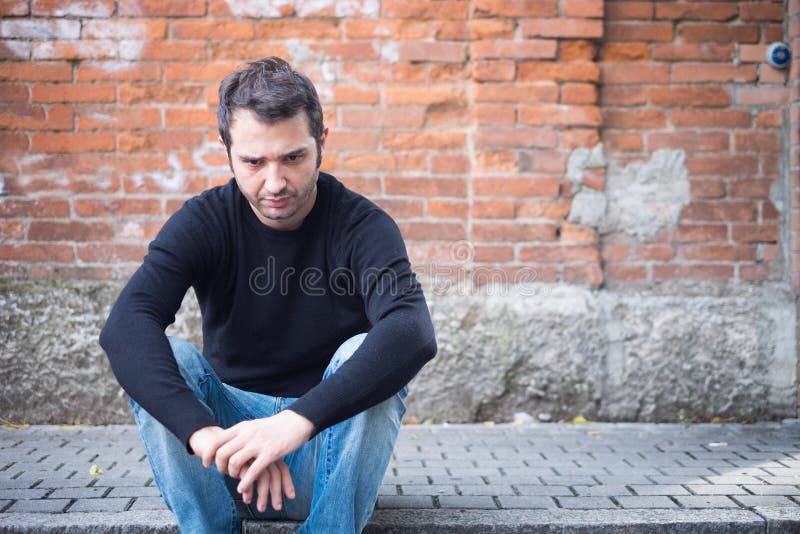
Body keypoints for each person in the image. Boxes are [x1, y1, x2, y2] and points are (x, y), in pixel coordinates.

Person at [99, 56, 437, 534]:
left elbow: (413, 331)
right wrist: (210, 436)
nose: (274, 182)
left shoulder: (363, 226)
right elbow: (126, 325)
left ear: (321, 143)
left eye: (293, 158)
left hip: (324, 458)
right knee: (169, 355)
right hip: (224, 467)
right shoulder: (203, 222)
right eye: (254, 162)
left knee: (369, 349)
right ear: (226, 150)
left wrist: (292, 425)